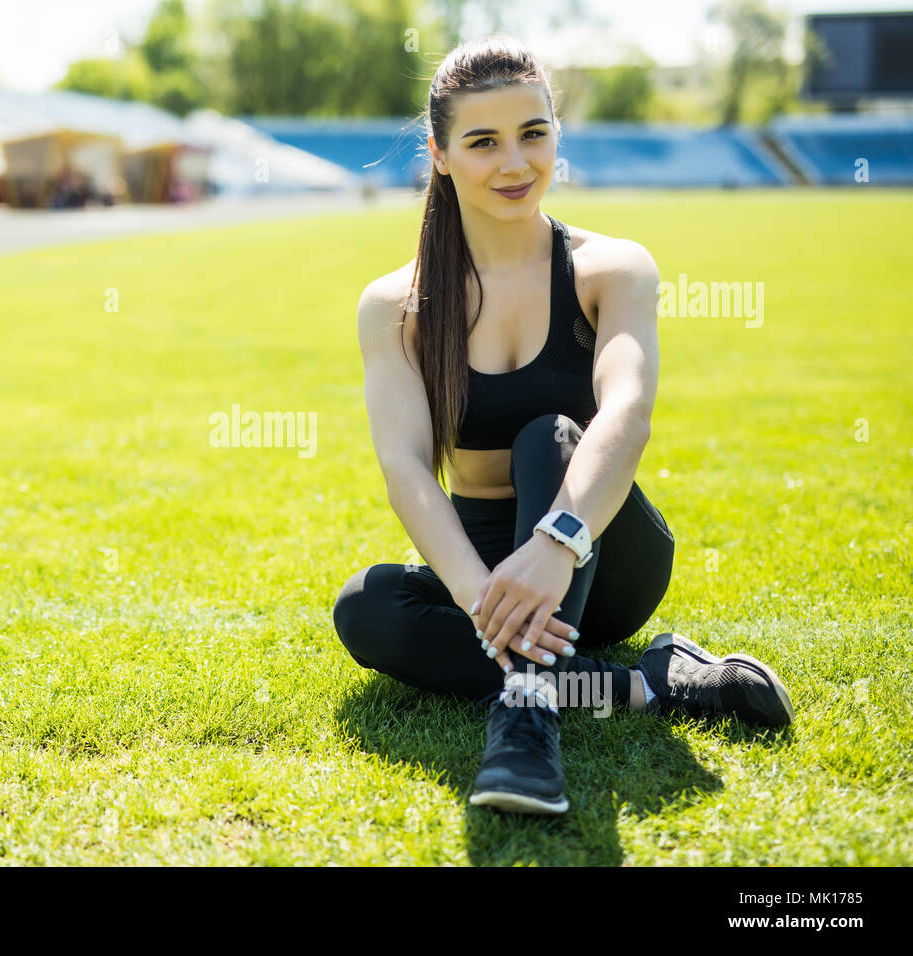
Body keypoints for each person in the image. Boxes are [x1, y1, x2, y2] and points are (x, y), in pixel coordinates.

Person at [331, 34, 794, 816]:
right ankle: (651, 683)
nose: (515, 164)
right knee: (363, 609)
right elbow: (407, 470)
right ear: (440, 154)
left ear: (555, 134)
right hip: (487, 567)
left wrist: (557, 545)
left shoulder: (614, 268)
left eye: (533, 134)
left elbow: (627, 412)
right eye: (483, 142)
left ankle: (524, 719)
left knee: (549, 430)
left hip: (602, 556)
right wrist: (484, 600)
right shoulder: (396, 305)